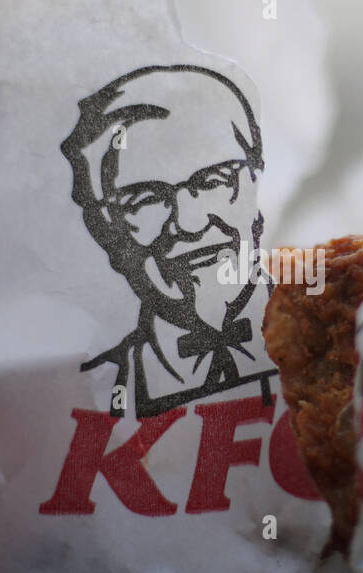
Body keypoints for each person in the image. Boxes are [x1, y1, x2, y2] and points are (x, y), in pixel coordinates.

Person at [61, 64, 277, 419]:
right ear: (105, 231)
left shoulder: (352, 332)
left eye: (213, 180)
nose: (189, 223)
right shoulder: (73, 398)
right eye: (144, 200)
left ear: (257, 182)